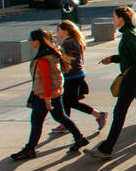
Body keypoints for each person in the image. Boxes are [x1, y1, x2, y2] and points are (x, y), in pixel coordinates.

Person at [87, 6, 136, 159]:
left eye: (114, 16)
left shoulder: (129, 35)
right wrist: (113, 58)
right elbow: (135, 56)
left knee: (120, 112)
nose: (113, 19)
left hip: (134, 78)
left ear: (121, 18)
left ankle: (107, 148)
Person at [12, 30, 87, 160]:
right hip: (54, 94)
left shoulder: (43, 58)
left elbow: (46, 80)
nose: (29, 42)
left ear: (38, 41)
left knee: (36, 122)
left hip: (45, 96)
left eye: (31, 39)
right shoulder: (51, 53)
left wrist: (47, 99)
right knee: (61, 117)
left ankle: (29, 149)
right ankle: (79, 138)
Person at [53, 20, 106, 136]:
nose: (56, 32)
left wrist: (55, 50)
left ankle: (99, 115)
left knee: (71, 102)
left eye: (58, 30)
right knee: (66, 101)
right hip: (76, 75)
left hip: (72, 76)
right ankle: (65, 123)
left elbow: (65, 60)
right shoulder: (72, 41)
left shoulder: (68, 44)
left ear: (65, 31)